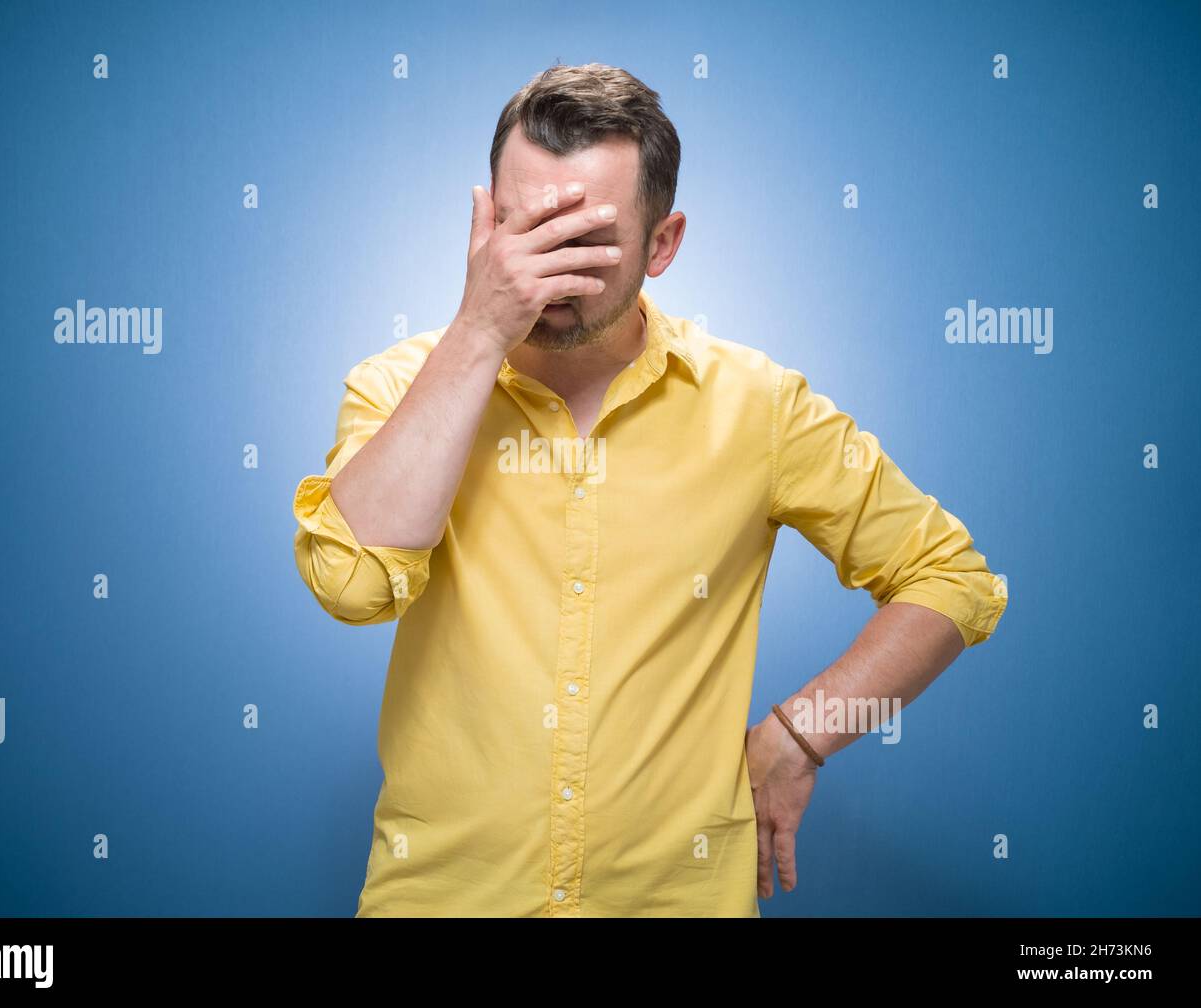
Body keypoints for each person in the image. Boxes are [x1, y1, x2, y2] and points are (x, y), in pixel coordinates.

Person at [291, 62, 1006, 917]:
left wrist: (800, 737)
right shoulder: (395, 385)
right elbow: (353, 586)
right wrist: (480, 329)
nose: (544, 271)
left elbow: (950, 578)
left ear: (661, 245)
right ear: (484, 220)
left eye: (584, 241)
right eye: (524, 228)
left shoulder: (757, 406)